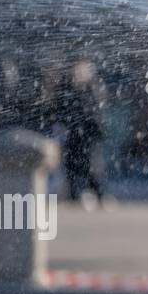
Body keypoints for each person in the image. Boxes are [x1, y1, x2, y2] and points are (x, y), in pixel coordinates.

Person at [54, 61, 107, 207]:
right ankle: (74, 194)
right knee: (72, 165)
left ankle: (98, 194)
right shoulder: (67, 88)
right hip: (74, 134)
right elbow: (61, 110)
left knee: (92, 166)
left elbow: (96, 110)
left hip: (88, 134)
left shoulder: (92, 88)